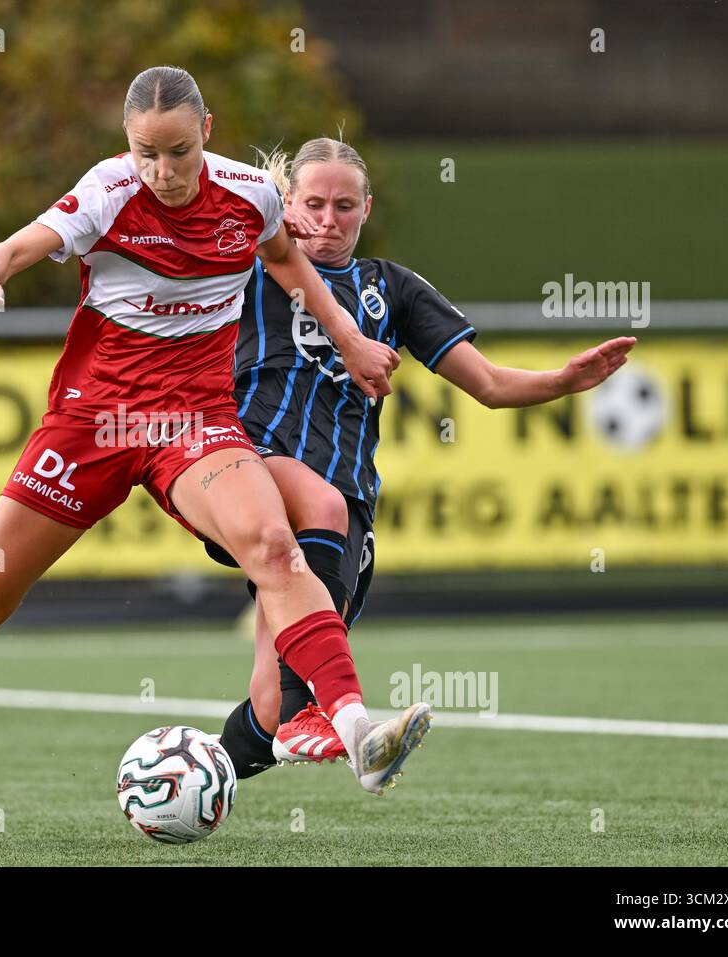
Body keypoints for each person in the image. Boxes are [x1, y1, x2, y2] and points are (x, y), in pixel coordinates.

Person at [0, 65, 428, 848]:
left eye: (176, 152)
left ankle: (354, 729)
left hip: (194, 424)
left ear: (206, 133)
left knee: (275, 544)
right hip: (91, 426)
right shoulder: (109, 191)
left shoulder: (249, 193)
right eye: (146, 153)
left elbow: (284, 260)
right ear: (127, 145)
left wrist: (348, 339)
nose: (162, 173)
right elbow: (25, 242)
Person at [211, 136, 637, 778]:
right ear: (289, 201)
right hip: (250, 464)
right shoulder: (254, 261)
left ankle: (195, 778)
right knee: (317, 512)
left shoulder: (393, 290)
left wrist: (563, 381)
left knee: (270, 707)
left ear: (366, 207)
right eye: (314, 204)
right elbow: (193, 191)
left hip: (346, 496)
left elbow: (488, 386)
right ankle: (327, 719)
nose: (328, 221)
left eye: (345, 206)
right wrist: (264, 210)